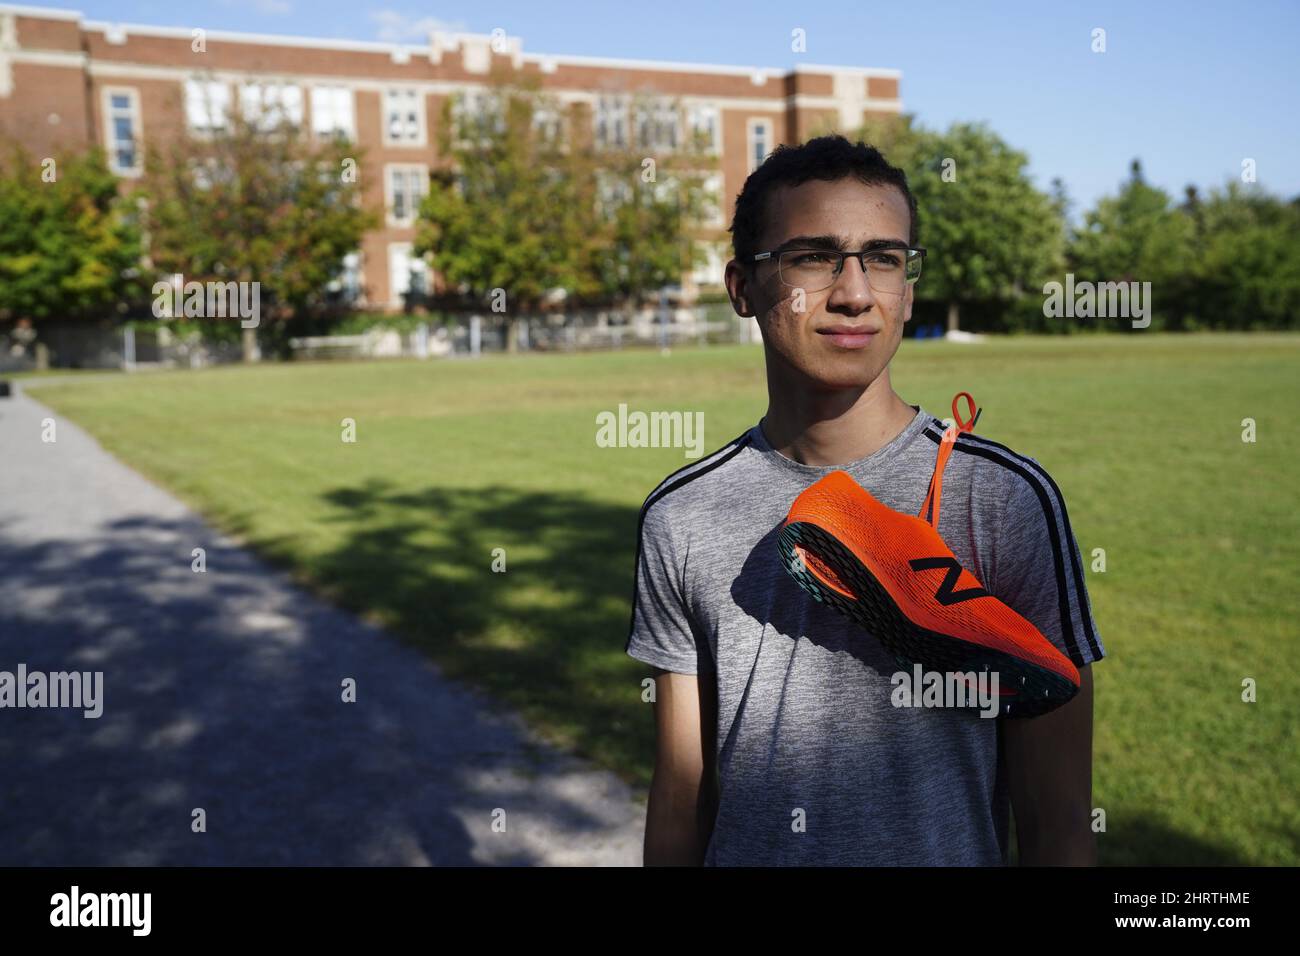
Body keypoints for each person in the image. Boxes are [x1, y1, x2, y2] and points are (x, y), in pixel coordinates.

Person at [625, 135, 1105, 866]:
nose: (854, 292)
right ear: (743, 288)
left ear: (907, 289)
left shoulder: (1003, 499)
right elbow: (681, 797)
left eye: (883, 258)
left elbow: (1060, 820)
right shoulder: (682, 515)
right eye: (814, 257)